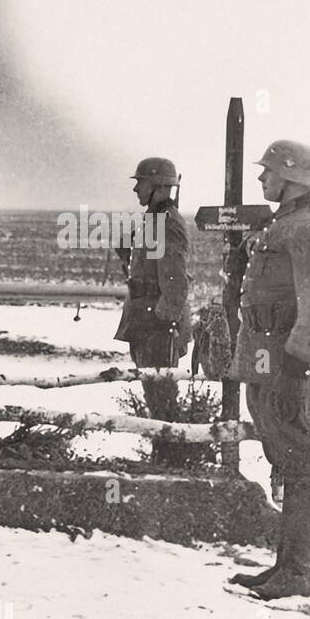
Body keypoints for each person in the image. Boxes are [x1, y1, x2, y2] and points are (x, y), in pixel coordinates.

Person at [227, 139, 310, 599]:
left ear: (293, 175)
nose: (261, 179)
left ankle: (298, 572)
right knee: (285, 459)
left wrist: (297, 369)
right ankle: (285, 566)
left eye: (269, 172)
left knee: (301, 465)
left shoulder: (304, 229)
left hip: (289, 363)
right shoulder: (282, 226)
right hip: (266, 359)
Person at [114, 157, 192, 462]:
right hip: (146, 320)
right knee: (155, 394)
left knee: (162, 400)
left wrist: (164, 320)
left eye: (141, 181)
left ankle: (170, 460)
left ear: (158, 186)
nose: (135, 188)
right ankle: (165, 457)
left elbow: (175, 280)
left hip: (158, 325)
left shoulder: (167, 223)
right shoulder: (154, 220)